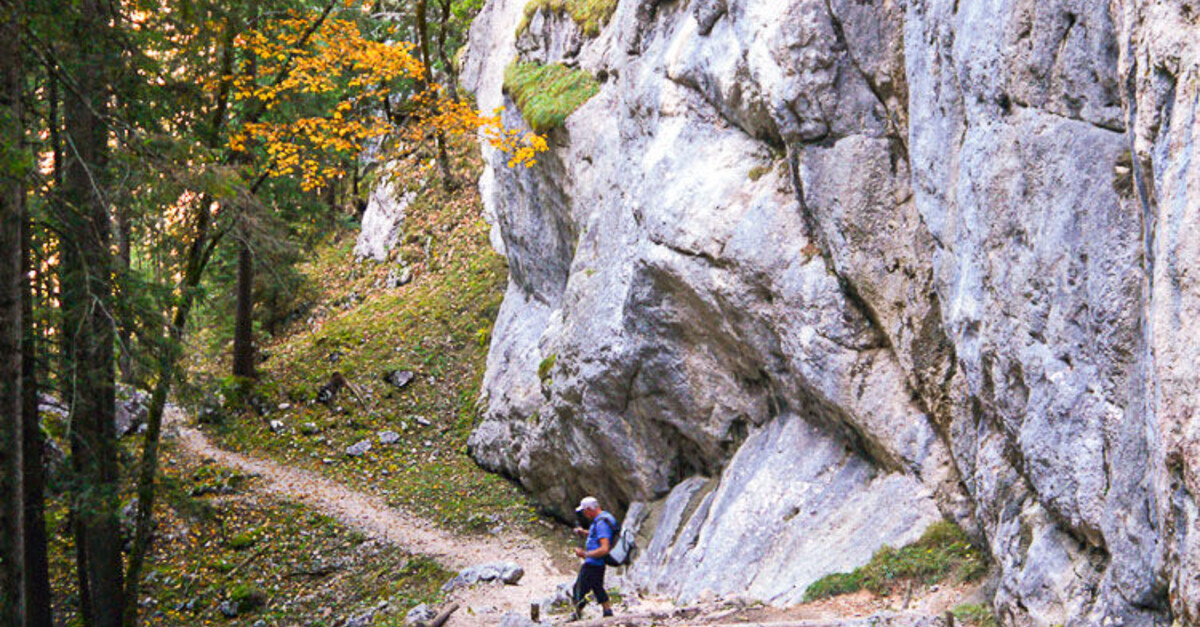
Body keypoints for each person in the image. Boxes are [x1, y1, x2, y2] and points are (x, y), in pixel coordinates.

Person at [571, 496, 616, 620]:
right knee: (597, 586)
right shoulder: (602, 519)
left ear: (589, 509)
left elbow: (604, 548)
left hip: (593, 562)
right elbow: (598, 535)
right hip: (598, 563)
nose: (584, 514)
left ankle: (577, 613)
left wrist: (585, 554)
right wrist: (584, 532)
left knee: (578, 588)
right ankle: (607, 611)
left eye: (584, 511)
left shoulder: (602, 523)